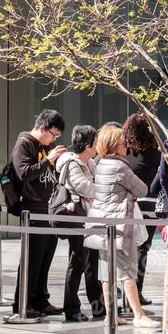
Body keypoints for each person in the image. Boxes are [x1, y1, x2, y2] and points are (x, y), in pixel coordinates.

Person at [87, 125, 159, 329]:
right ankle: (138, 314)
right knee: (128, 269)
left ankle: (111, 314)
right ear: (113, 145)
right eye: (122, 142)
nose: (126, 145)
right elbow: (143, 188)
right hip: (119, 224)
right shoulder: (119, 167)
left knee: (106, 271)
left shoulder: (100, 163)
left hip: (102, 223)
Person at [11, 109, 67, 318]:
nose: (53, 139)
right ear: (42, 128)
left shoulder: (47, 145)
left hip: (49, 207)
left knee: (46, 256)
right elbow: (23, 173)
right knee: (31, 259)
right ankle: (23, 303)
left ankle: (40, 300)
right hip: (32, 209)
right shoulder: (24, 143)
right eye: (53, 134)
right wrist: (48, 160)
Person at [51, 125, 103, 322]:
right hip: (77, 218)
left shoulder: (89, 163)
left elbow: (90, 188)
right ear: (88, 144)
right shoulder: (71, 163)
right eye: (95, 141)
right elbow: (85, 187)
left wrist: (93, 193)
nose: (98, 145)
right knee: (78, 261)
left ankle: (97, 307)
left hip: (90, 217)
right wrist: (97, 193)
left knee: (92, 262)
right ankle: (71, 309)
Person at [123, 113, 162, 304]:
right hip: (149, 204)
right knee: (142, 249)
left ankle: (126, 292)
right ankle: (136, 292)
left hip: (127, 204)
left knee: (125, 249)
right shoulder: (155, 153)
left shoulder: (124, 153)